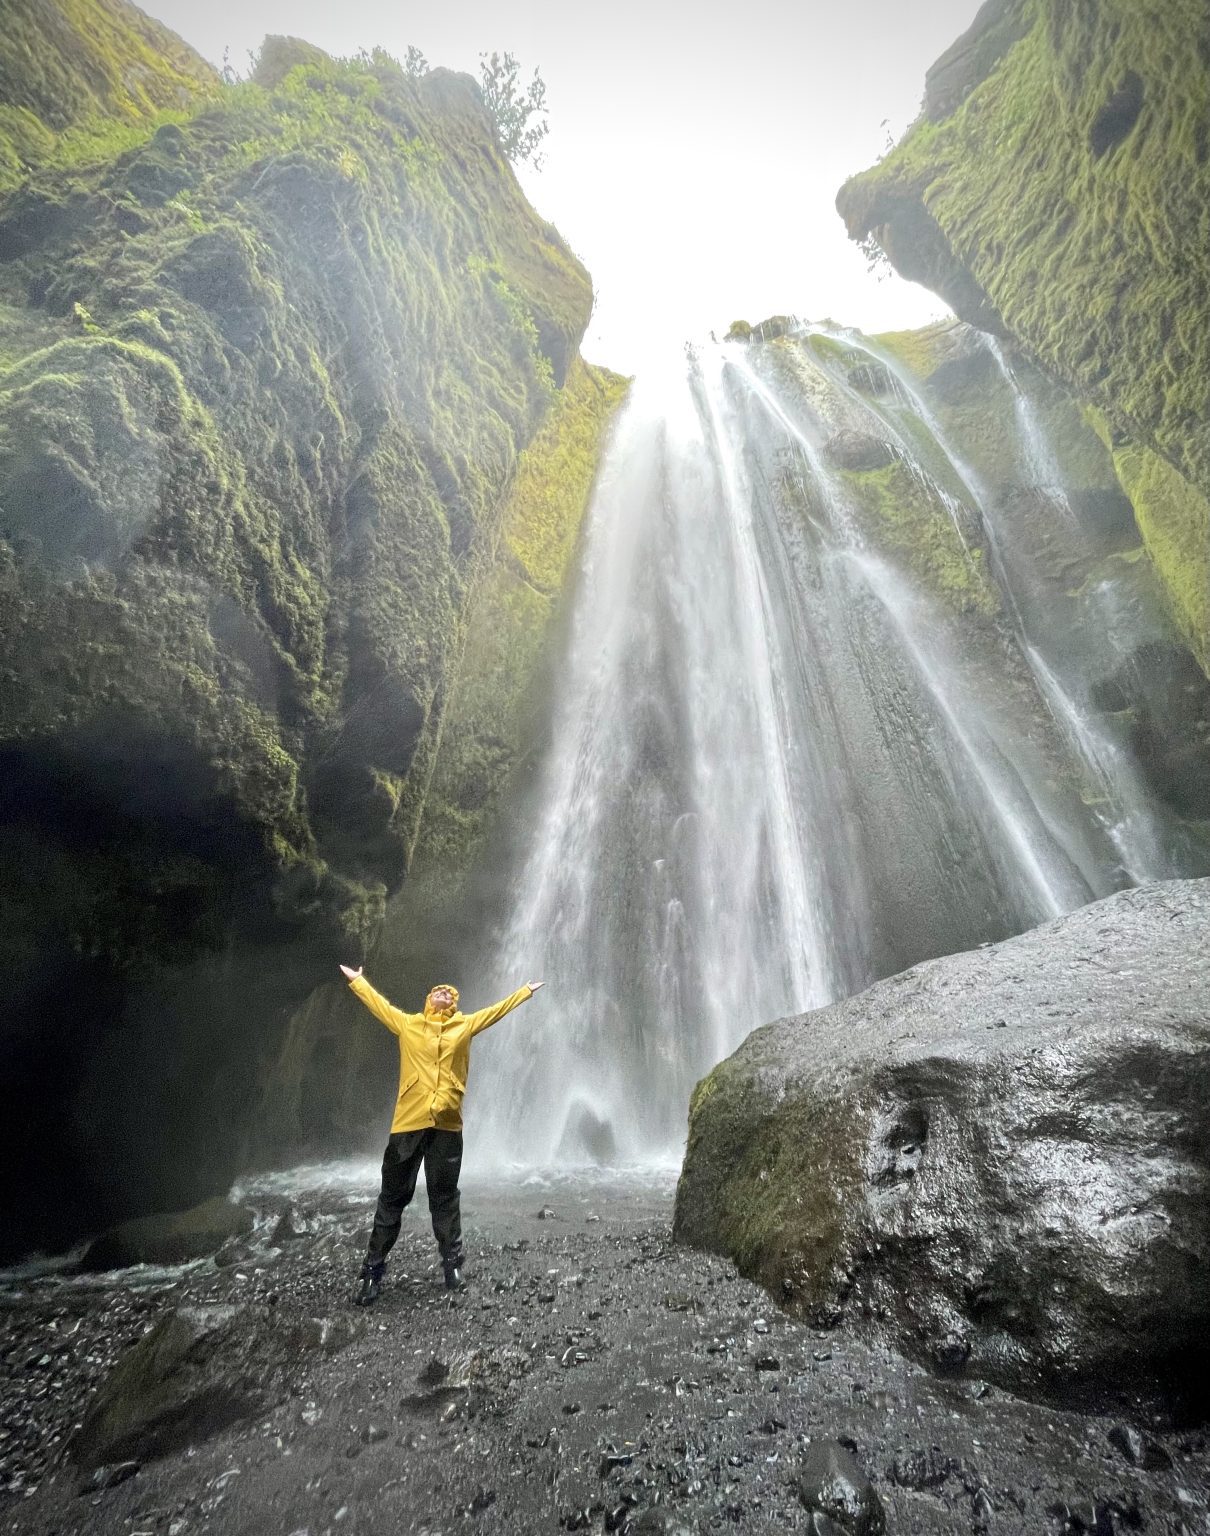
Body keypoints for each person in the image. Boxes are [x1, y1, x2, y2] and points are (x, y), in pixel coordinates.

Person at [339, 964, 543, 1305]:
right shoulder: (408, 1024)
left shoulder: (464, 1026)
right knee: (392, 1198)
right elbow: (380, 1006)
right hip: (408, 1123)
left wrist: (524, 992)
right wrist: (358, 981)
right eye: (437, 990)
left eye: (449, 992)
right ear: (427, 999)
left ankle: (452, 1267)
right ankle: (372, 1271)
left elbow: (494, 1013)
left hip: (447, 1124)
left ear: (454, 1003)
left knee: (445, 1198)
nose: (443, 993)